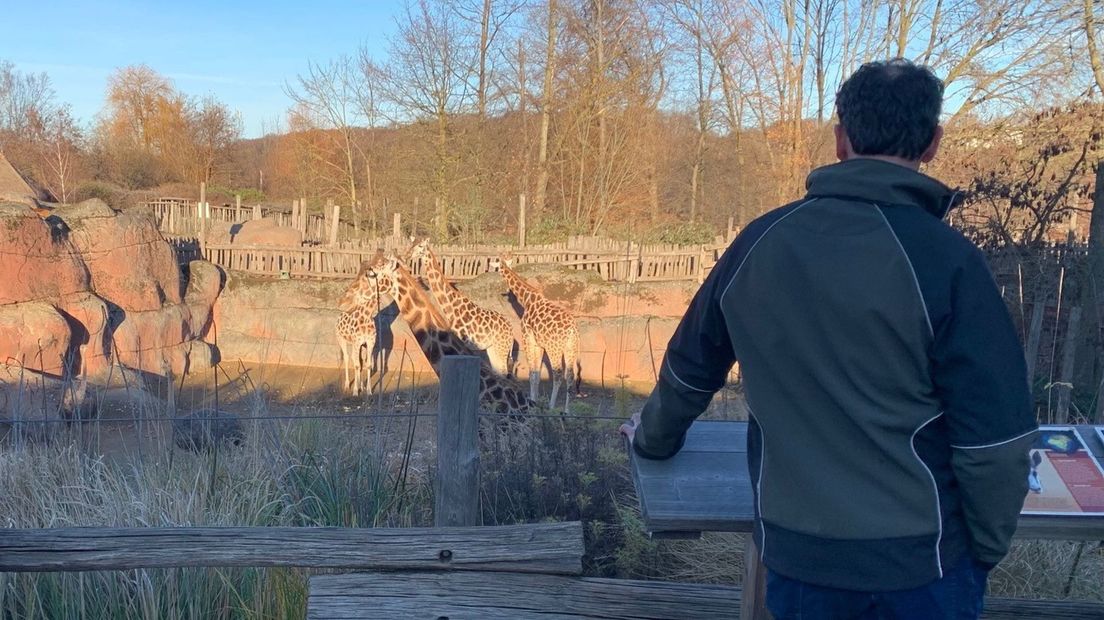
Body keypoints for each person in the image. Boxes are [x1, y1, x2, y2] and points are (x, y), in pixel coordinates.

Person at [619, 58, 1037, 620]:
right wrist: (982, 552)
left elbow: (688, 371)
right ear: (933, 143)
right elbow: (995, 442)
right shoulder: (951, 261)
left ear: (841, 140)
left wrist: (651, 440)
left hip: (799, 559)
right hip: (923, 566)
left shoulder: (760, 243)